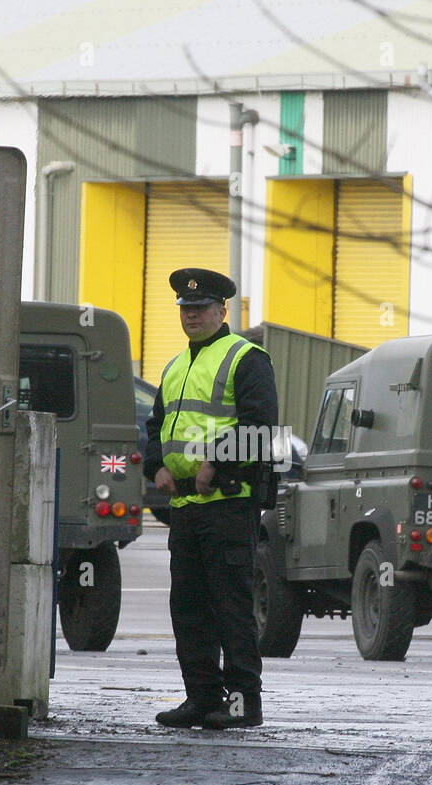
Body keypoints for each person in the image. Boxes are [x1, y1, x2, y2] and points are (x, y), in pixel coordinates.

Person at [142, 268, 279, 729]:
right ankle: (201, 698)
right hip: (185, 508)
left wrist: (215, 464)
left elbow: (259, 428)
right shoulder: (176, 365)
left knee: (230, 606)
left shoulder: (246, 357)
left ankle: (243, 705)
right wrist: (154, 465)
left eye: (200, 309)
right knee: (190, 609)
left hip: (227, 503)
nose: (192, 315)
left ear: (223, 312)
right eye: (186, 309)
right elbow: (156, 426)